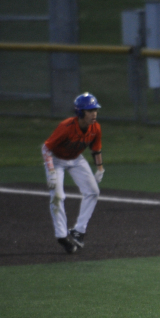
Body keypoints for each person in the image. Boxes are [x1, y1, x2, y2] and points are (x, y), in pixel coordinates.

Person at [41, 92, 104, 253]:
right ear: (80, 112)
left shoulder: (95, 127)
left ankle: (78, 230)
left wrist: (100, 168)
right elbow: (46, 148)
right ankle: (62, 236)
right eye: (90, 110)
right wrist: (52, 171)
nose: (94, 113)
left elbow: (95, 149)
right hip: (56, 160)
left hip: (76, 159)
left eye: (95, 110)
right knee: (57, 196)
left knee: (93, 192)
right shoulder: (66, 126)